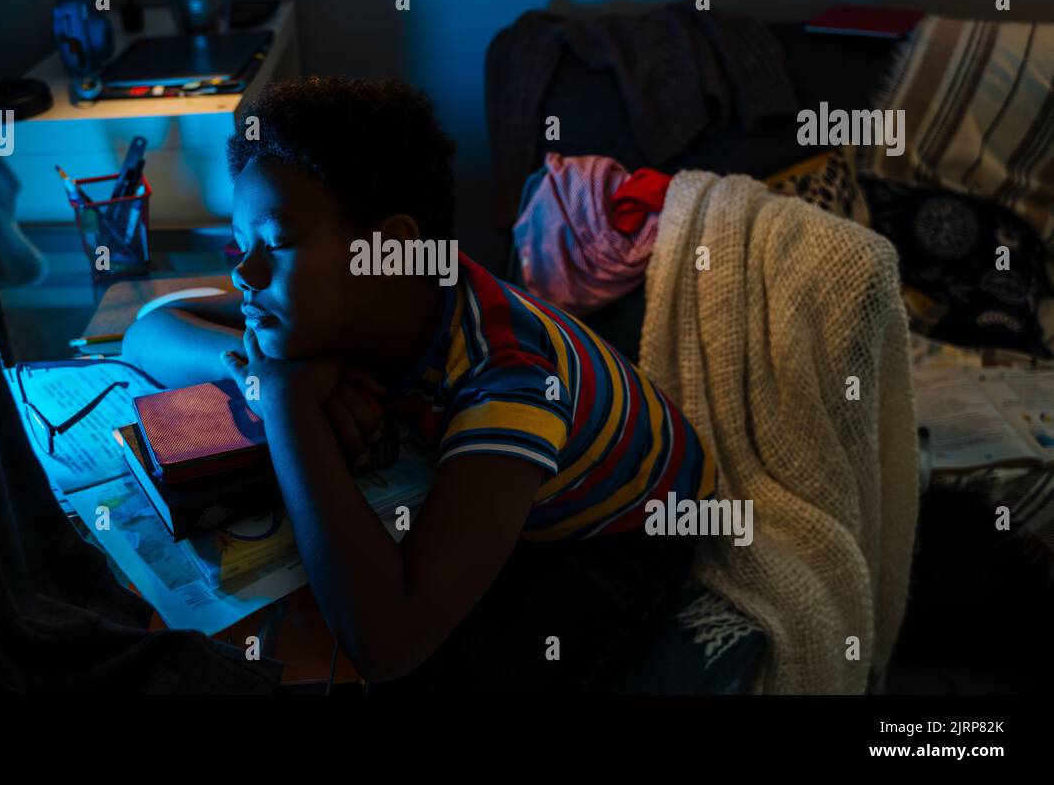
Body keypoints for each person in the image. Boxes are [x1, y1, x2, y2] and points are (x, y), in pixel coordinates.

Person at [122, 75, 717, 691]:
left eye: (277, 242)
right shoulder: (339, 304)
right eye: (240, 245)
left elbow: (386, 644)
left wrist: (286, 404)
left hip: (625, 529)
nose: (245, 273)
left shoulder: (508, 380)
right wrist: (251, 368)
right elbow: (148, 331)